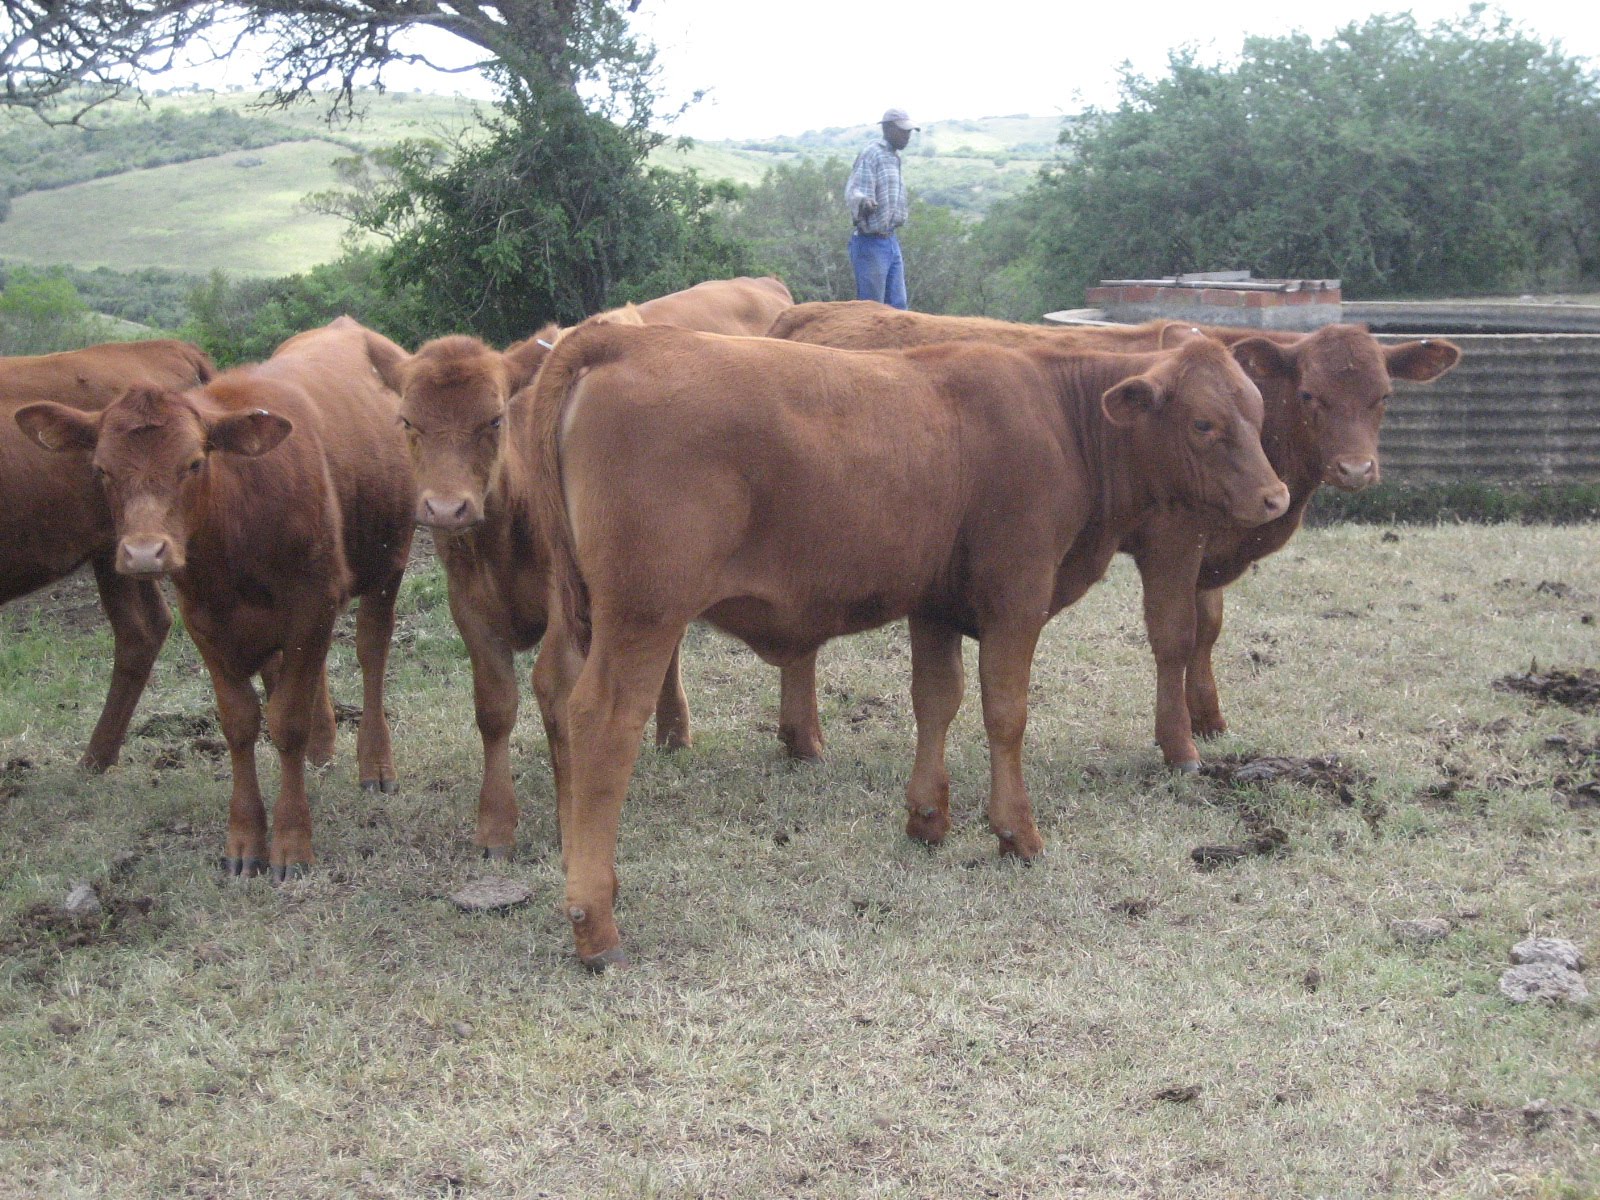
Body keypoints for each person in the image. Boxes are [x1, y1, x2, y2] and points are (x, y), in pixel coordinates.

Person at [845, 107, 918, 309]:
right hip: (871, 241)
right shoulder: (872, 154)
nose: (907, 136)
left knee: (897, 304)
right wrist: (864, 202)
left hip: (890, 239)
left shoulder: (894, 158)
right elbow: (855, 189)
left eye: (909, 132)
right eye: (903, 131)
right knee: (873, 307)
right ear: (887, 129)